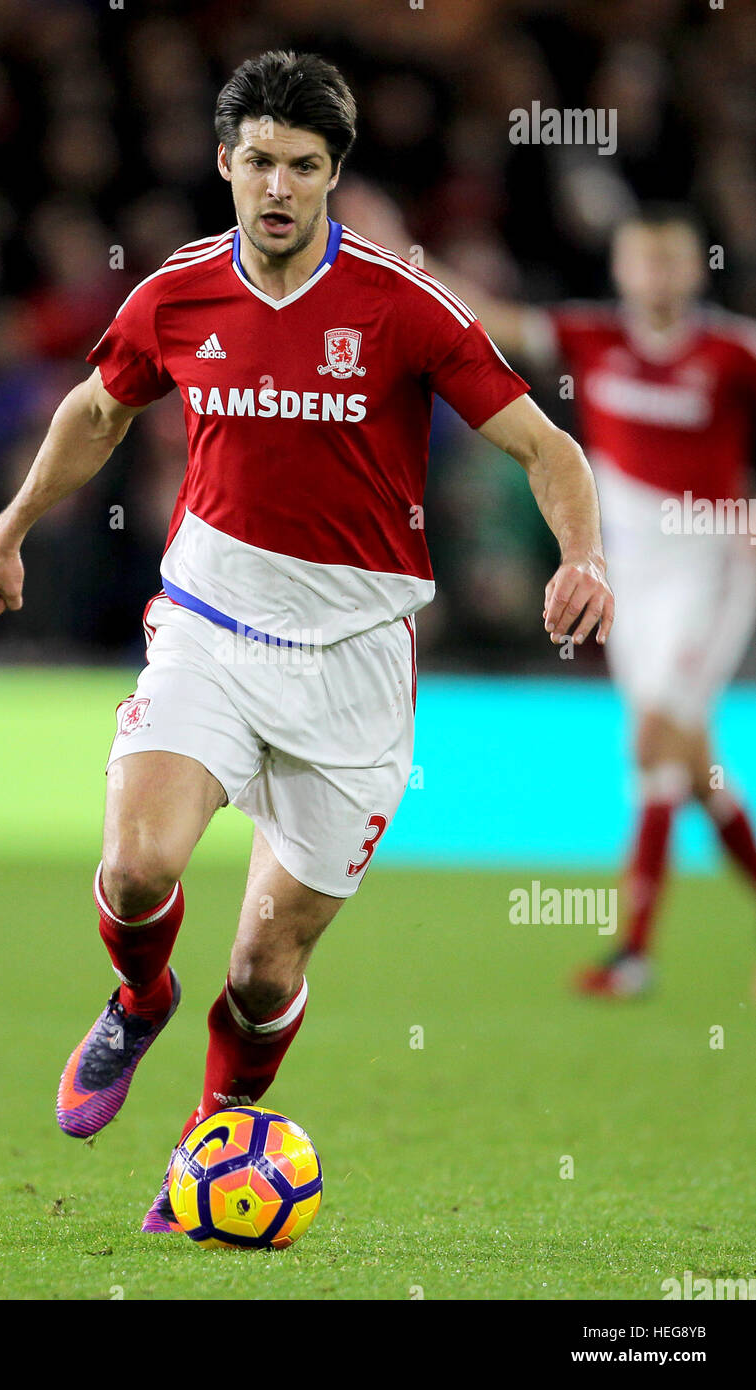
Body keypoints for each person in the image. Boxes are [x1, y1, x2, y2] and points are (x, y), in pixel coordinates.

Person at [0, 50, 612, 1232]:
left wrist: (581, 556)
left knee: (266, 972)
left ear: (332, 175)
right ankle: (138, 999)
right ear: (223, 162)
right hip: (209, 627)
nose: (276, 186)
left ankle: (201, 1150)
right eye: (256, 161)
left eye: (302, 166)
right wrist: (11, 529)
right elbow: (99, 409)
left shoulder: (402, 307)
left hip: (356, 663)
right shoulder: (174, 294)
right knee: (135, 869)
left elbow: (546, 449)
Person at [337, 190, 756, 997]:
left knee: (654, 745)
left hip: (711, 573)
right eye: (643, 259)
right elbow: (483, 316)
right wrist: (395, 243)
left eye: (671, 259)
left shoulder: (732, 353)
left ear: (694, 266)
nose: (657, 275)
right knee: (689, 761)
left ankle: (629, 953)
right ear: (621, 268)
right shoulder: (591, 338)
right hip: (630, 579)